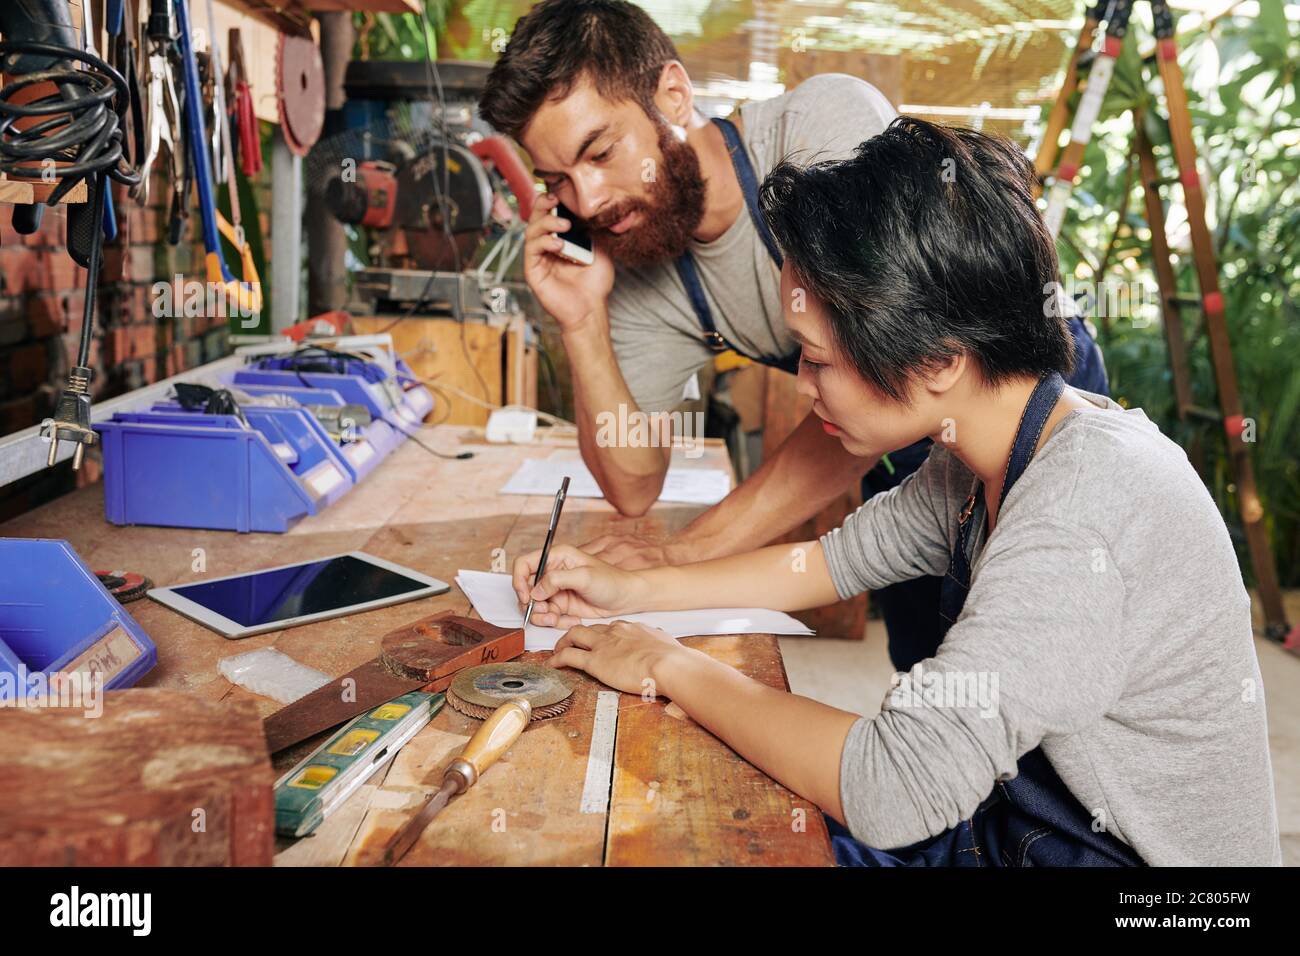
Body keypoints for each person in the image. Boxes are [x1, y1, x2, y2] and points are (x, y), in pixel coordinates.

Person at [509, 118, 1281, 866]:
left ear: (938, 359)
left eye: (815, 359)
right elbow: (826, 564)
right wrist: (630, 587)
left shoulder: (1080, 518)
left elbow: (893, 786)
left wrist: (668, 665)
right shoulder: (990, 448)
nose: (803, 388)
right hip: (1022, 831)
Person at [479, 0, 1109, 667]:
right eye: (557, 181)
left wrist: (681, 553)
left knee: (1052, 668)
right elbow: (634, 485)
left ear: (673, 94)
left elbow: (881, 377)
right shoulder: (633, 253)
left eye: (601, 153)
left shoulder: (821, 132)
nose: (588, 200)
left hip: (1019, 396)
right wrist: (581, 321)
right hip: (896, 453)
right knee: (935, 672)